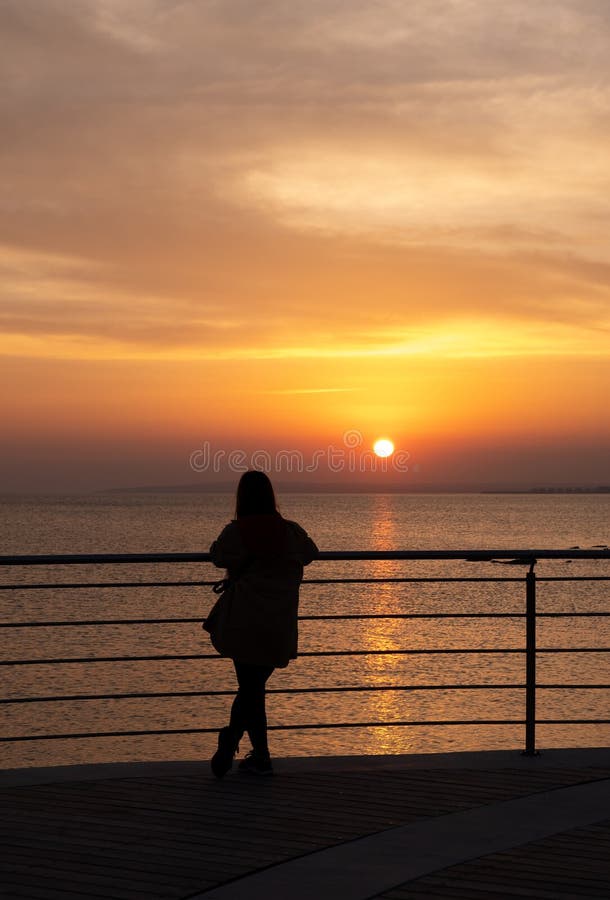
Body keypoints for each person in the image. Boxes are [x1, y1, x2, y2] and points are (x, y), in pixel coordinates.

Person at [207, 470, 318, 777]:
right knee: (253, 689)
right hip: (276, 624)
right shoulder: (291, 533)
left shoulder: (236, 532)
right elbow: (311, 552)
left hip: (243, 621)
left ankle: (232, 740)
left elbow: (216, 556)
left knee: (250, 687)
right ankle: (260, 755)